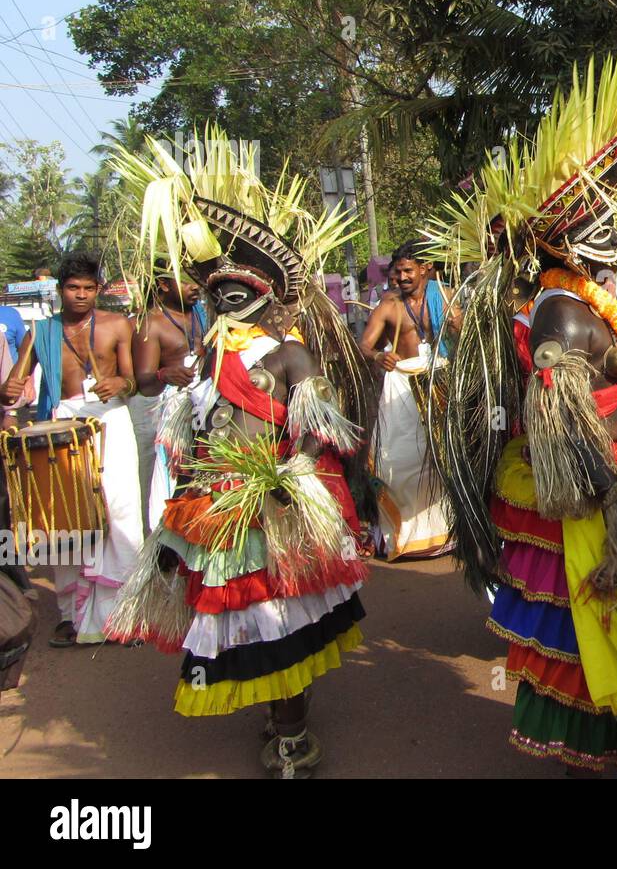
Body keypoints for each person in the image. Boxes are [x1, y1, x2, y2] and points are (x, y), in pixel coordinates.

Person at [429, 8, 617, 775]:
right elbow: (559, 425)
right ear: (573, 234)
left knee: (612, 641)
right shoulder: (564, 309)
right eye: (605, 212)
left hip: (610, 496)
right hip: (595, 512)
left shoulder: (585, 298)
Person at [105, 127, 369, 778]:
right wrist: (186, 497)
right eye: (216, 293)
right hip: (219, 507)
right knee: (243, 620)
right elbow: (194, 432)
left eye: (236, 292)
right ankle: (281, 714)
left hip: (275, 508)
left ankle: (292, 733)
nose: (225, 302)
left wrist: (290, 475)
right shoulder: (207, 360)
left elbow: (316, 429)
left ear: (269, 294)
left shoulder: (290, 353)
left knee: (278, 617)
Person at [0, 252, 143, 647]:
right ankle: (72, 615)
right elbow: (13, 385)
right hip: (62, 423)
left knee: (120, 512)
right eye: (73, 288)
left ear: (98, 290)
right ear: (61, 290)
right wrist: (8, 391)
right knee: (63, 518)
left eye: (88, 288)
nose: (81, 295)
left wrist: (119, 385)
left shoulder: (117, 324)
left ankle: (125, 613)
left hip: (111, 420)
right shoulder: (41, 332)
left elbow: (132, 382)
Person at [358, 242, 453, 560]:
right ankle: (401, 535)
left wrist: (456, 326)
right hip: (401, 384)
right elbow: (364, 346)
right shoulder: (388, 304)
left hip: (440, 381)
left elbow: (465, 333)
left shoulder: (445, 296)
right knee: (396, 461)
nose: (401, 277)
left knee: (442, 457)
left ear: (425, 269)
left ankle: (447, 532)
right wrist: (379, 356)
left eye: (407, 270)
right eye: (396, 271)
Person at [129, 274, 208, 532]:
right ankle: (159, 542)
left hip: (203, 409)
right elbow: (145, 382)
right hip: (166, 415)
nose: (194, 287)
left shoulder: (204, 316)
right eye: (185, 281)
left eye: (195, 281)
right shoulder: (151, 324)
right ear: (163, 284)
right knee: (164, 481)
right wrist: (165, 374)